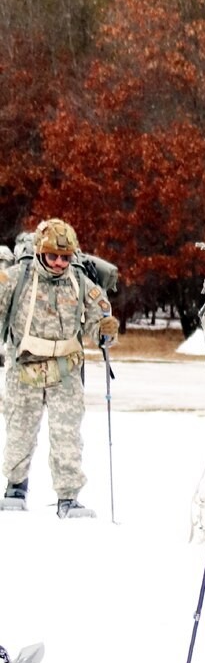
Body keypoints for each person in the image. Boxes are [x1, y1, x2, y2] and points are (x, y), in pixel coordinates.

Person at [1, 218, 114, 515]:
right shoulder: (16, 278)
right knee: (20, 428)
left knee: (67, 434)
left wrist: (104, 330)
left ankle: (68, 497)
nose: (60, 263)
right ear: (39, 252)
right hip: (24, 367)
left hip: (65, 368)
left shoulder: (79, 282)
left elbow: (96, 316)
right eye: (53, 256)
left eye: (65, 257)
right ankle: (15, 486)